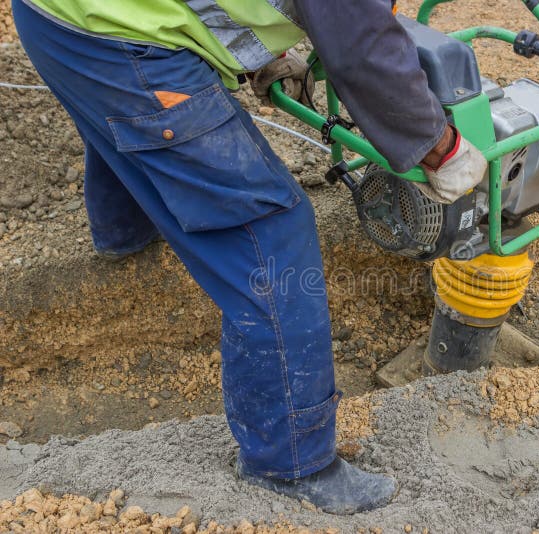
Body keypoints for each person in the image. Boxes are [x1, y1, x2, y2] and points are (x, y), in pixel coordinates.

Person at [11, 0, 486, 515]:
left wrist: (261, 52)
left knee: (127, 117)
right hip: (121, 35)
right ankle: (292, 462)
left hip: (57, 18)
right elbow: (361, 44)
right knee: (272, 230)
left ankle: (124, 233)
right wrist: (439, 146)